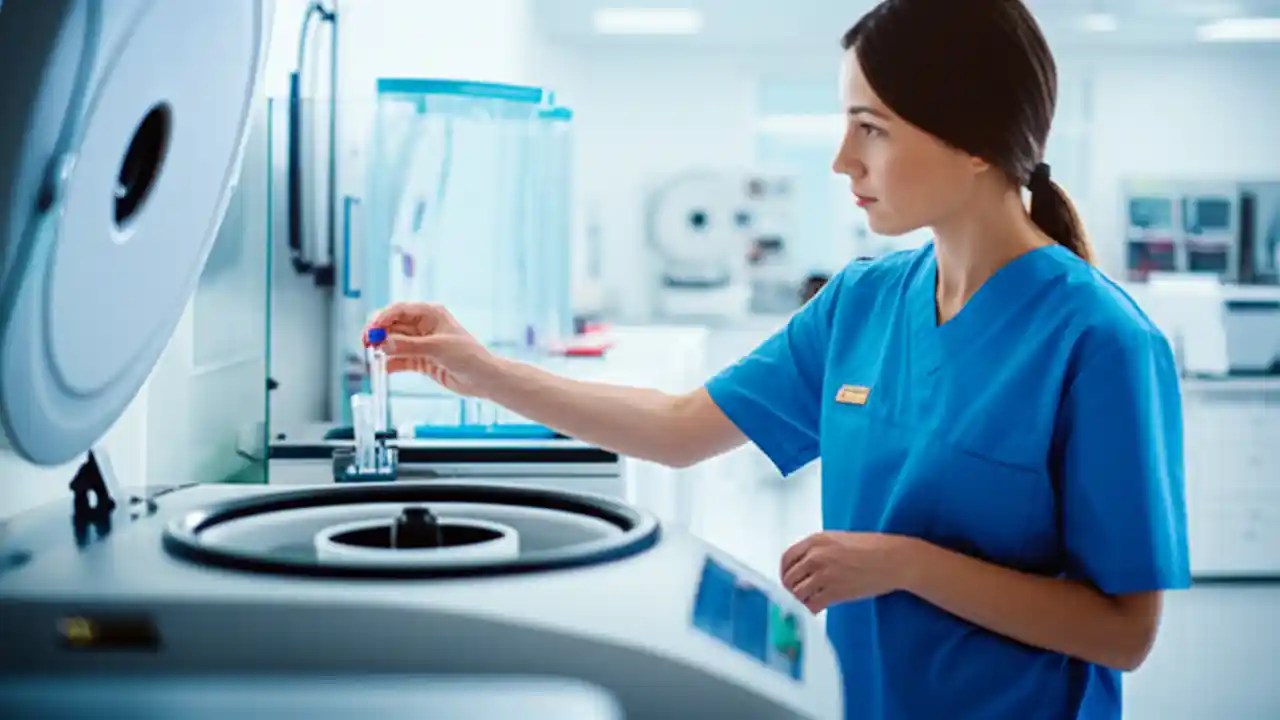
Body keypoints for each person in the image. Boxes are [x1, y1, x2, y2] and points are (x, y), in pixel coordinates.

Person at [364, 1, 1190, 717]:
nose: (841, 160)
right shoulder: (863, 302)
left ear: (976, 141)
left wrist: (904, 564)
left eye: (871, 127)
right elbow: (681, 427)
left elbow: (1121, 630)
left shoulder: (1099, 341)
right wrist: (478, 370)